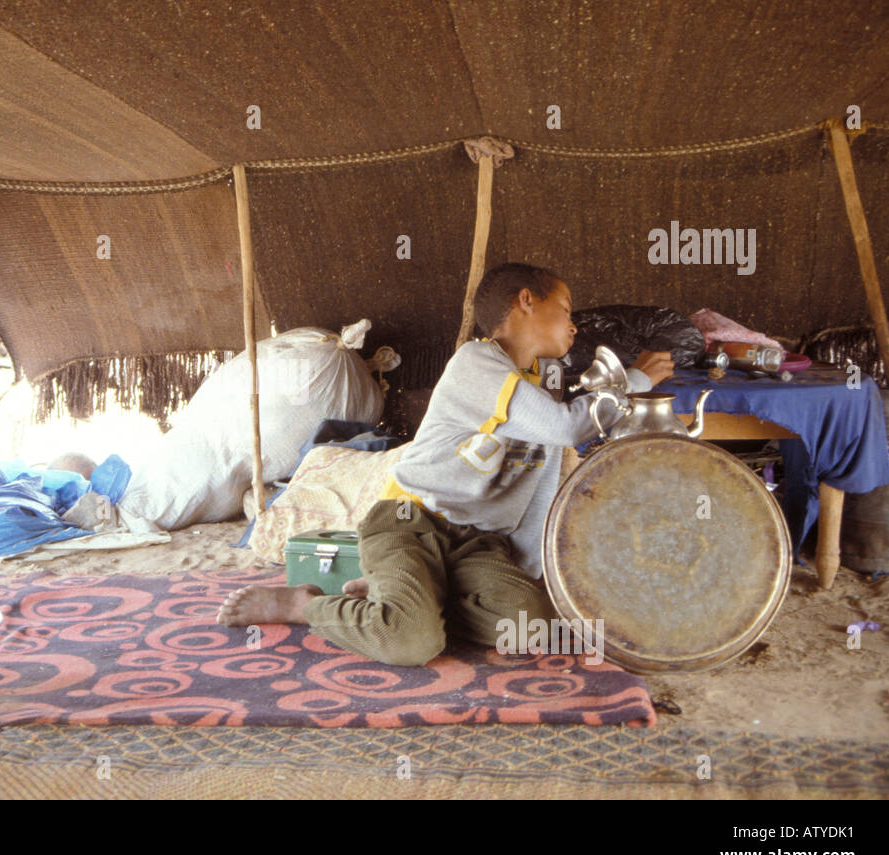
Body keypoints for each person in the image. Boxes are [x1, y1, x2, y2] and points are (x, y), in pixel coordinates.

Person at [217, 262, 675, 665]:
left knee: (529, 626)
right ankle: (307, 605)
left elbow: (552, 463)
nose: (574, 325)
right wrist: (633, 381)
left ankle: (404, 597)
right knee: (413, 644)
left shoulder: (541, 381)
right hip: (412, 522)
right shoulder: (475, 363)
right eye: (567, 309)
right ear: (526, 301)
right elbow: (567, 427)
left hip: (478, 544)